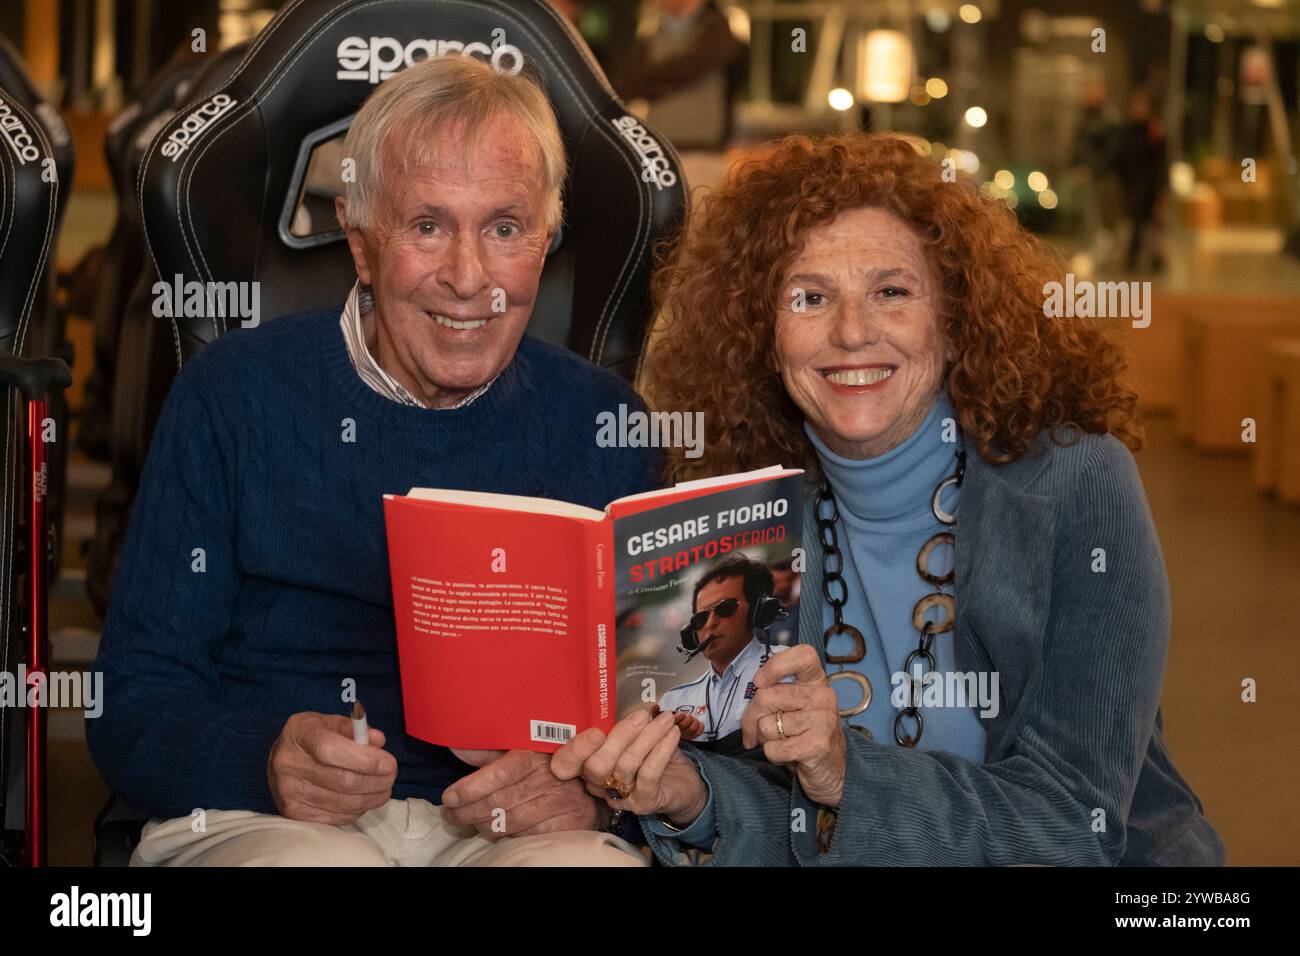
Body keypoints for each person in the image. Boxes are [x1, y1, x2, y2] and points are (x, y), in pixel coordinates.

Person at [552, 132, 1225, 866]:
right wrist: (696, 798)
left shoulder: (1076, 486)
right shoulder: (757, 519)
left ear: (954, 315)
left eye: (891, 292)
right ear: (760, 334)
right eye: (809, 297)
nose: (850, 332)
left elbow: (1071, 827)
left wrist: (849, 772)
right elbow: (796, 821)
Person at [86, 54, 660, 867]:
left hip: (518, 832)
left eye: (504, 228)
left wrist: (596, 790)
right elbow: (130, 706)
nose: (468, 278)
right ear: (360, 244)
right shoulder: (232, 395)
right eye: (427, 226)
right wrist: (262, 759)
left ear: (544, 243)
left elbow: (656, 726)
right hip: (272, 820)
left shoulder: (605, 424)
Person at [655, 556, 790, 742]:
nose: (710, 623)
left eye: (725, 608)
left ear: (757, 611)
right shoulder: (673, 702)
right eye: (700, 619)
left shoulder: (788, 668)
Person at [614, 0, 745, 149]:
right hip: (661, 139)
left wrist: (654, 81)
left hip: (702, 141)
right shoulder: (652, 29)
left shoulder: (716, 27)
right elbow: (631, 79)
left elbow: (695, 65)